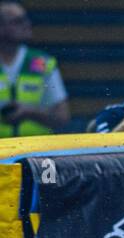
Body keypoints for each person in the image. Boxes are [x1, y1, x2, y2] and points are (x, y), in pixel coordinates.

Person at [0, 2, 69, 137]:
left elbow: (62, 117)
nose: (27, 24)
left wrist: (30, 112)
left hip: (36, 148)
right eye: (17, 21)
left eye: (26, 19)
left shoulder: (42, 63)